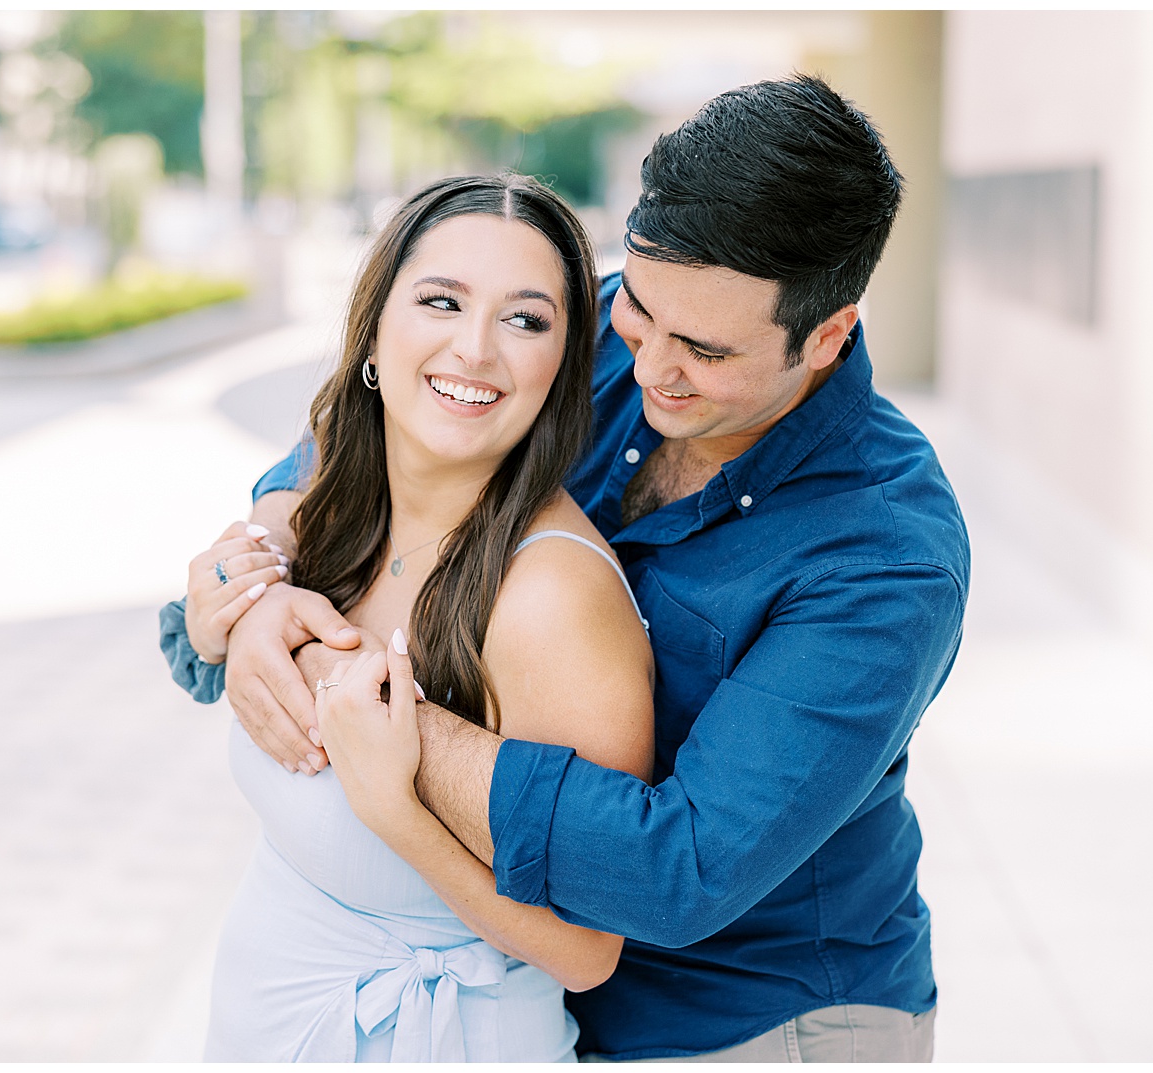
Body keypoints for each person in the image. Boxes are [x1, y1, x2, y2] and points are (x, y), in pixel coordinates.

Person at [200, 73, 970, 1062]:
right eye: (641, 310)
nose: (648, 367)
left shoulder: (884, 554)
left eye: (704, 350)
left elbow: (676, 869)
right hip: (530, 995)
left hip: (758, 1021)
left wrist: (363, 702)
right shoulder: (602, 331)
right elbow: (381, 441)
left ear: (827, 336)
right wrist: (261, 566)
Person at [159, 174, 656, 1061]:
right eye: (441, 300)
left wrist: (397, 807)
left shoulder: (551, 599)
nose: (475, 349)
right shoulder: (326, 516)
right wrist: (223, 614)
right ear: (375, 333)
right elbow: (199, 639)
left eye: (526, 319)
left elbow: (588, 951)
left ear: (561, 365)